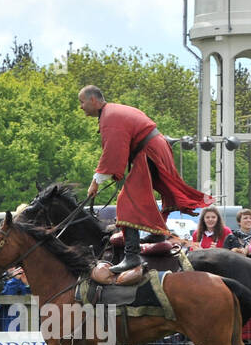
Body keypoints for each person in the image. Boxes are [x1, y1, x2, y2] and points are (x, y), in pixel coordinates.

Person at [79, 85, 213, 274]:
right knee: (141, 197)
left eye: (82, 102)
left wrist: (96, 181)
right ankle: (157, 235)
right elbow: (119, 149)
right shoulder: (113, 112)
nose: (81, 107)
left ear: (93, 100)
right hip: (155, 148)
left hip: (149, 150)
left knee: (127, 201)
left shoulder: (110, 117)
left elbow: (113, 152)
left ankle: (132, 256)